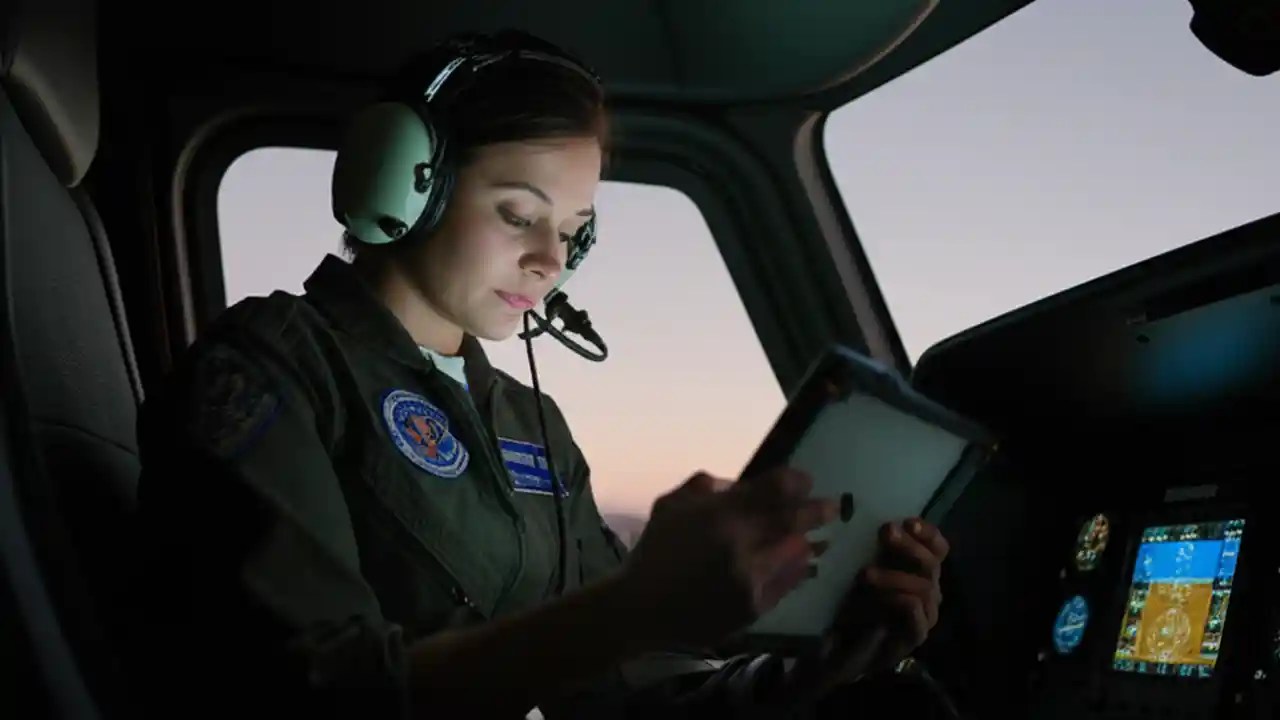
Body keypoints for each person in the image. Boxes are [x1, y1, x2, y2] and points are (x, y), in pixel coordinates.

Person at [132, 29, 949, 719]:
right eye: (519, 214)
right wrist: (632, 607)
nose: (551, 259)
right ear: (405, 182)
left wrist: (824, 663)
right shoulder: (272, 366)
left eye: (575, 232)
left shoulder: (533, 425)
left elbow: (624, 690)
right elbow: (315, 693)